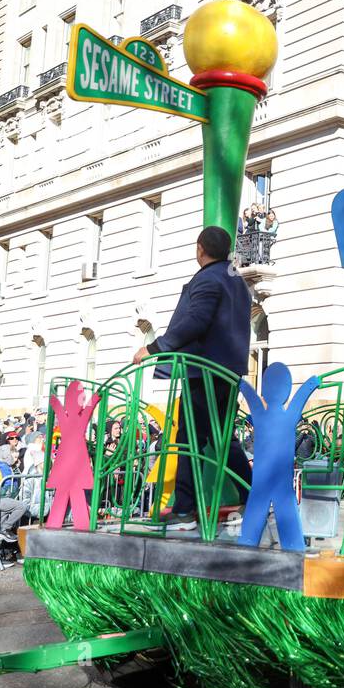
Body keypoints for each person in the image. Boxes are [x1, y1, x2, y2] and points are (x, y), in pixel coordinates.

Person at [132, 226, 253, 530]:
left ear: (200, 249)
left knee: (190, 439)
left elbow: (195, 321)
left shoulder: (209, 279)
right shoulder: (236, 281)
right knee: (223, 438)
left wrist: (154, 347)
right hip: (227, 371)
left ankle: (185, 510)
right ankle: (252, 495)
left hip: (204, 371)